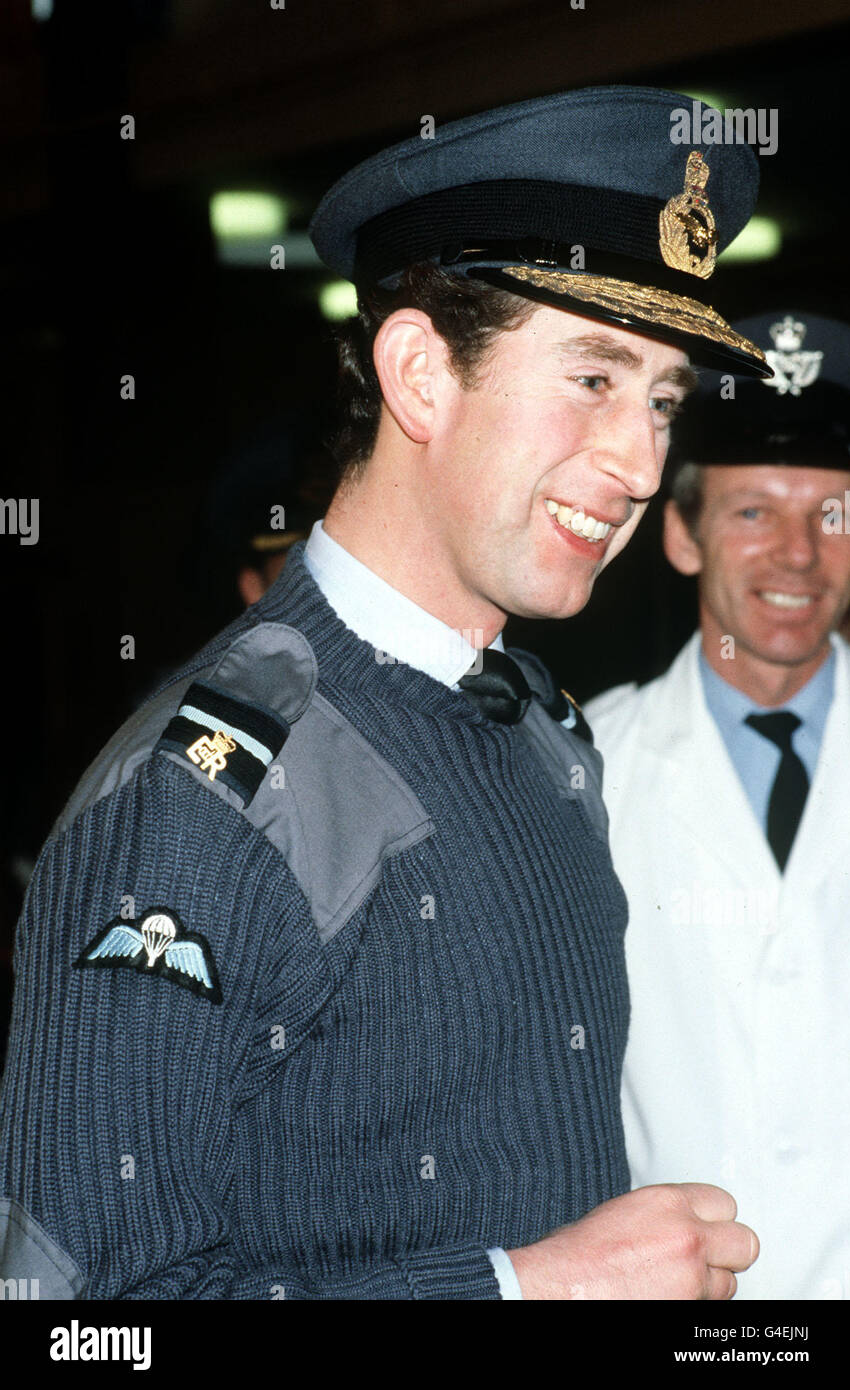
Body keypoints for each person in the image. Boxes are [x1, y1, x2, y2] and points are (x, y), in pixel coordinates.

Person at [0, 87, 767, 1300]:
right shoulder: (199, 803)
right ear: (418, 373)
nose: (640, 464)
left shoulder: (541, 736)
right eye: (592, 377)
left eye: (663, 398)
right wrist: (528, 1289)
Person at [586, 311, 850, 1300]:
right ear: (680, 534)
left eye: (835, 513)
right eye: (752, 512)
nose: (799, 553)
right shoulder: (582, 774)